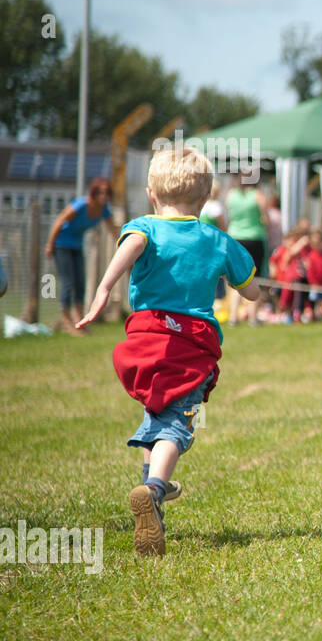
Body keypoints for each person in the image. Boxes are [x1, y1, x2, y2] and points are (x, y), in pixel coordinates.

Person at [76, 144, 260, 557]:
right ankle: (155, 488)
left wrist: (103, 291)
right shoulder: (217, 239)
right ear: (207, 196)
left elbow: (128, 251)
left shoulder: (145, 227)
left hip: (144, 338)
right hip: (188, 344)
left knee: (157, 411)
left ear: (152, 194)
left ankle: (154, 489)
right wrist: (252, 284)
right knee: (177, 424)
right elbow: (250, 291)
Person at [45, 177, 117, 334]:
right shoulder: (81, 204)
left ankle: (79, 320)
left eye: (107, 193)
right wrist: (50, 245)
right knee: (68, 282)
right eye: (101, 192)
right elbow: (59, 222)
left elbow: (114, 230)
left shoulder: (104, 209)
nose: (104, 196)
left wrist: (125, 244)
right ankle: (66, 321)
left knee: (80, 283)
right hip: (61, 245)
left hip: (77, 245)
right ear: (94, 193)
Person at [223, 172, 269, 326]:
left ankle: (234, 316)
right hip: (255, 237)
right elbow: (266, 218)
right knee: (255, 277)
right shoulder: (258, 195)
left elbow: (229, 216)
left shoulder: (231, 195)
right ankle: (253, 317)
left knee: (235, 277)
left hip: (235, 237)